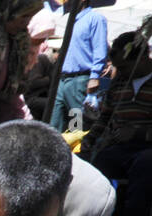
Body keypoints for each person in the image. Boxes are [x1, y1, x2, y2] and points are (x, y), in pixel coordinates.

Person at [80, 31, 152, 216]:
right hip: (119, 148)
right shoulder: (119, 82)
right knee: (97, 168)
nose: (119, 72)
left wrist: (138, 133)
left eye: (123, 67)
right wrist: (90, 138)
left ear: (141, 58)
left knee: (144, 168)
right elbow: (105, 117)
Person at [49, 0, 107, 133]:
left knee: (76, 125)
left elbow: (100, 49)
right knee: (54, 121)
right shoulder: (71, 21)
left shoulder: (95, 19)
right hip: (62, 81)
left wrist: (94, 76)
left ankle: (77, 151)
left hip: (78, 81)